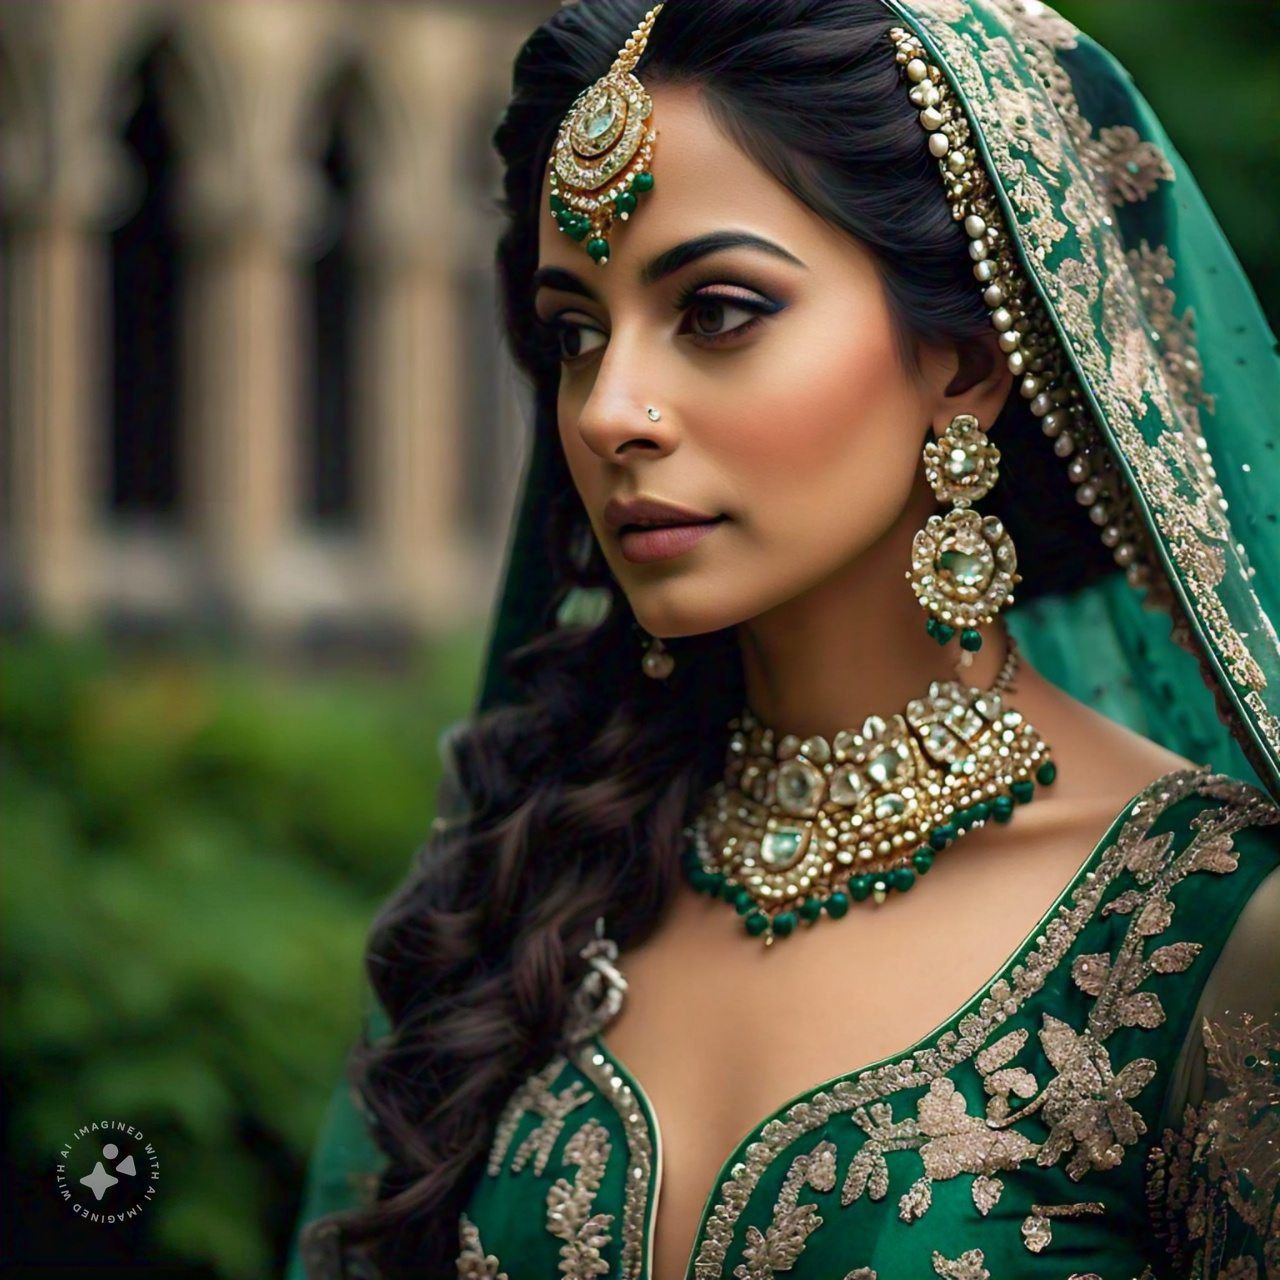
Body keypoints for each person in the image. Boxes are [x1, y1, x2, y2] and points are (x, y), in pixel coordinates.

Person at [288, 1, 1280, 1276]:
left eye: (715, 311)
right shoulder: (530, 868)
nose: (608, 412)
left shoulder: (1204, 935)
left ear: (962, 361)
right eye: (575, 333)